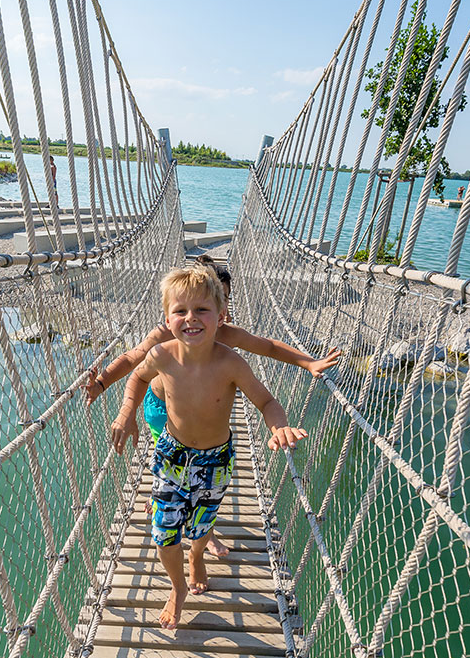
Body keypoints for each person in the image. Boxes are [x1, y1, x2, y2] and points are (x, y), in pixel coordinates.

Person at [87, 254, 339, 558]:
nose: (196, 316)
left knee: (202, 492)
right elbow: (132, 362)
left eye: (219, 302)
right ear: (170, 314)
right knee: (167, 461)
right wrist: (103, 385)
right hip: (160, 407)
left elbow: (268, 347)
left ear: (221, 308)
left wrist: (306, 361)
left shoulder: (227, 342)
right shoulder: (167, 336)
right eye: (185, 307)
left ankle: (199, 529)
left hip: (209, 435)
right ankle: (168, 499)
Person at [111, 266, 307, 629]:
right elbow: (136, 378)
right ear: (166, 317)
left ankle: (197, 556)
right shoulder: (161, 356)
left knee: (200, 528)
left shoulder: (230, 362)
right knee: (164, 533)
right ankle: (177, 587)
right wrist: (127, 415)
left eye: (202, 310)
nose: (191, 319)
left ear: (221, 316)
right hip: (171, 454)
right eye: (180, 311)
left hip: (215, 461)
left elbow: (265, 401)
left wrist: (278, 425)